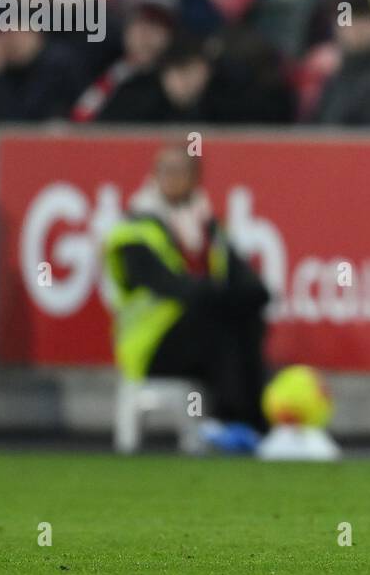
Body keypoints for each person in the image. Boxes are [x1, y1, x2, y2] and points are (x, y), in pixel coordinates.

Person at [103, 145, 270, 446]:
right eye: (165, 171)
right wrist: (224, 295)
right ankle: (228, 421)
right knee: (219, 325)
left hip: (197, 332)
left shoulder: (207, 227)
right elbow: (170, 285)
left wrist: (251, 295)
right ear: (153, 177)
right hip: (151, 346)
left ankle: (253, 428)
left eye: (181, 171)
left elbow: (245, 282)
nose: (172, 178)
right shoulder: (134, 230)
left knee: (248, 319)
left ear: (196, 179)